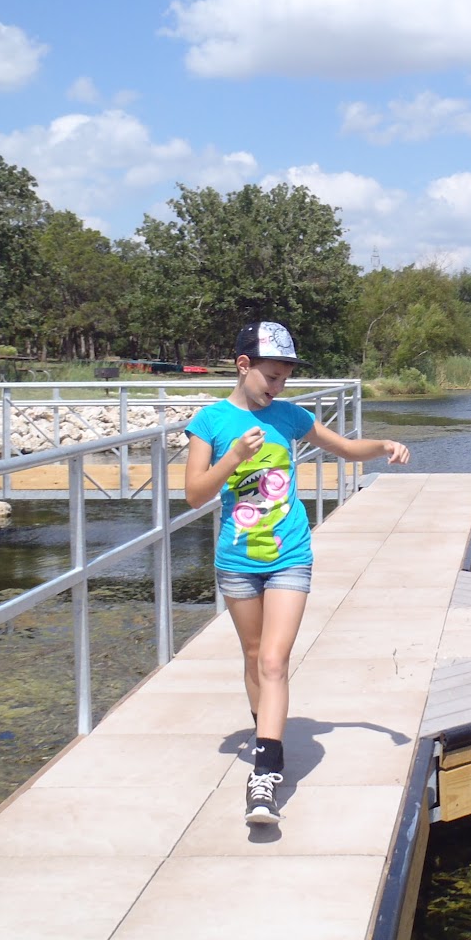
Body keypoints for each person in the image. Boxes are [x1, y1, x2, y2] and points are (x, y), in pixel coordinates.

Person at [183, 321, 409, 824]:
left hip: (289, 554)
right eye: (271, 375)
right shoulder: (210, 423)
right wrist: (234, 459)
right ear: (244, 366)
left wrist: (383, 444)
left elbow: (345, 449)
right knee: (251, 655)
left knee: (274, 661)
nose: (278, 385)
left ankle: (265, 772)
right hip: (237, 559)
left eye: (284, 377)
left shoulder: (289, 417)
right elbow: (195, 494)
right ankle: (265, 725)